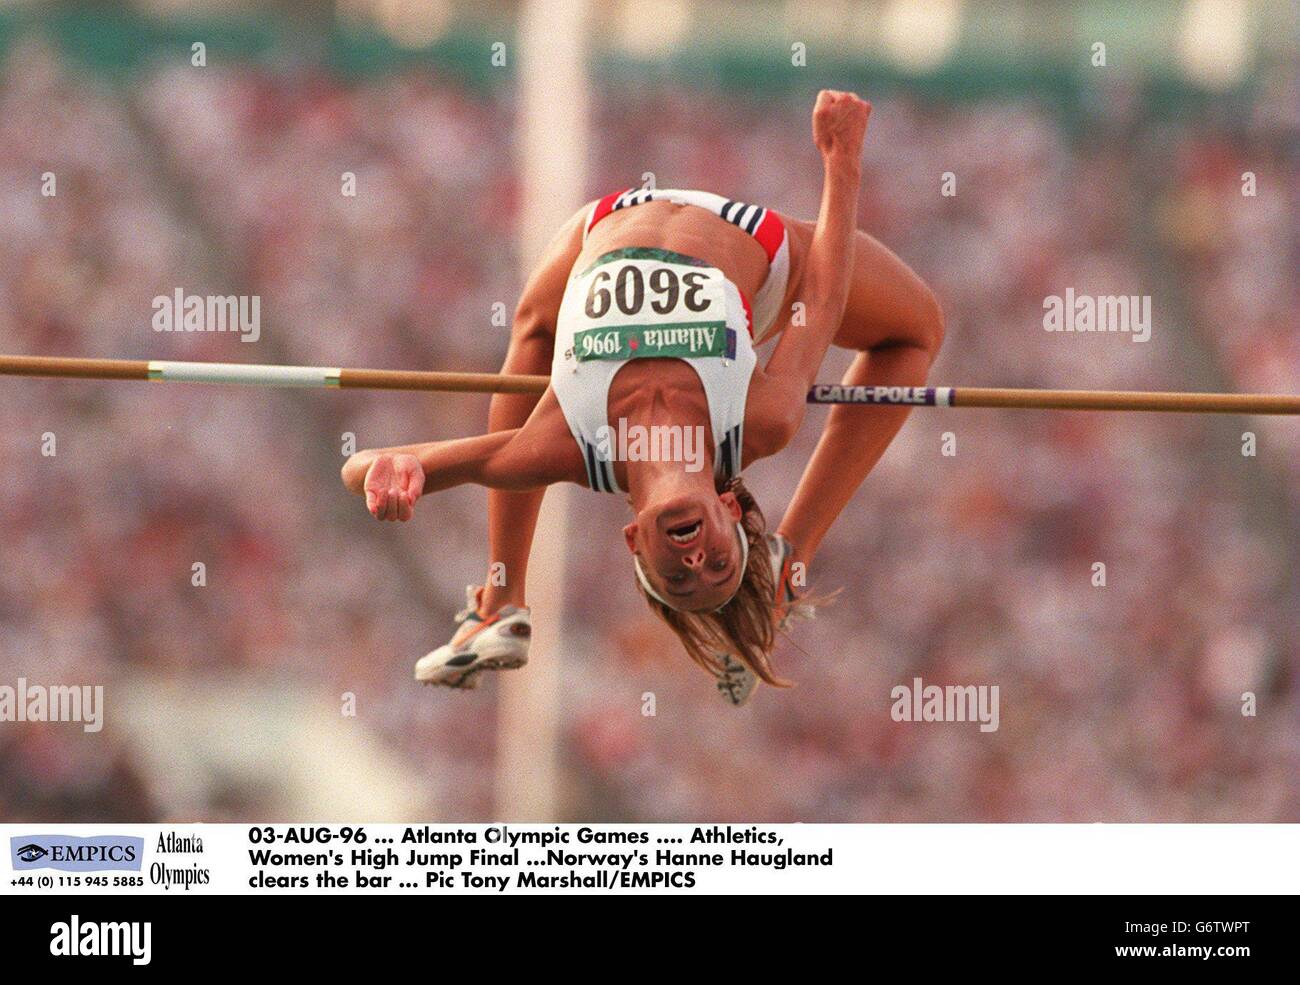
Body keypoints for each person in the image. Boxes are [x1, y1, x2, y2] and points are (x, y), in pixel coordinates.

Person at [341, 90, 943, 701]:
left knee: (535, 329)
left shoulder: (569, 450)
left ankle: (500, 597)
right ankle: (791, 558)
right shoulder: (759, 422)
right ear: (731, 513)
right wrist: (842, 161)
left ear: (635, 541)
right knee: (918, 329)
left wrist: (389, 471)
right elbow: (818, 300)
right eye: (719, 564)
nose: (694, 561)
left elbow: (361, 467)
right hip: (757, 248)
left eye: (678, 579)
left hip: (606, 222)